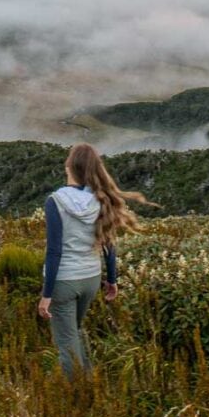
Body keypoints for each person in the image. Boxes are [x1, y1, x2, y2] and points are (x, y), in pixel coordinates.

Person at [38, 142, 160, 379]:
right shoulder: (102, 199)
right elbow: (109, 242)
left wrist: (46, 295)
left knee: (66, 342)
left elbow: (54, 251)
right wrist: (112, 279)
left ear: (70, 166)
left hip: (64, 280)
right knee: (75, 330)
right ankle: (89, 378)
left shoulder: (56, 201)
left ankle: (77, 395)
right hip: (91, 279)